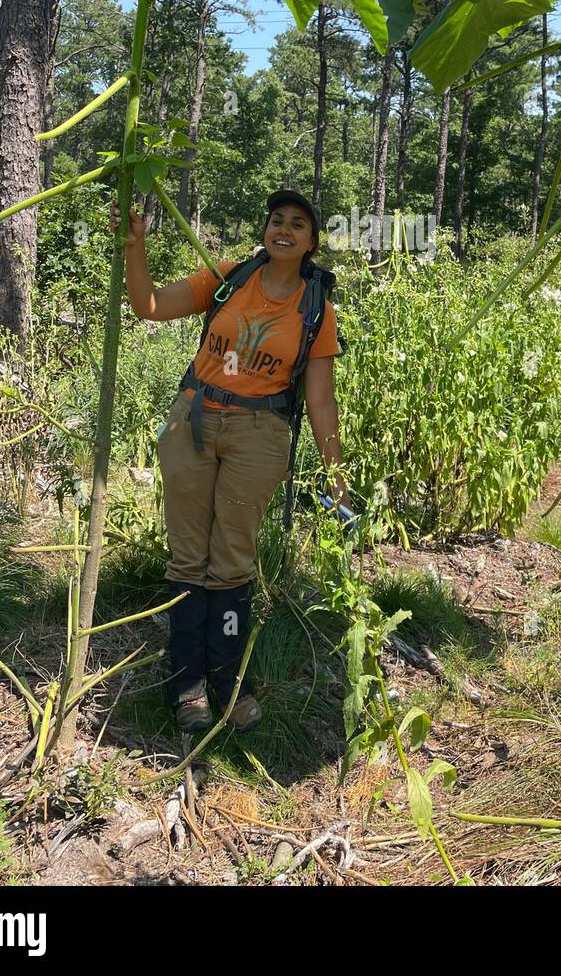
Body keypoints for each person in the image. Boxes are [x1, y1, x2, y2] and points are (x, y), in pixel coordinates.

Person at [109, 189, 349, 733]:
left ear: (312, 242)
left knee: (232, 562)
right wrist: (135, 247)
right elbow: (149, 306)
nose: (283, 230)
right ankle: (187, 687)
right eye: (275, 220)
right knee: (187, 558)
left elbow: (320, 401)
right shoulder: (229, 277)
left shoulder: (316, 310)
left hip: (260, 434)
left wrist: (337, 476)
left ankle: (229, 683)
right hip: (192, 421)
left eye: (297, 224)